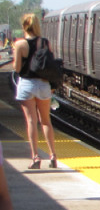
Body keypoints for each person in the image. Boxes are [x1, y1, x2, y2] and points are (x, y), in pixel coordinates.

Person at [12, 13, 58, 169]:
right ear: (37, 26)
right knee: (46, 121)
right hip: (44, 85)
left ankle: (36, 157)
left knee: (31, 121)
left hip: (26, 85)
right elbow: (51, 64)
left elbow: (17, 68)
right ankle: (53, 155)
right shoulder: (45, 43)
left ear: (24, 26)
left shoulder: (20, 44)